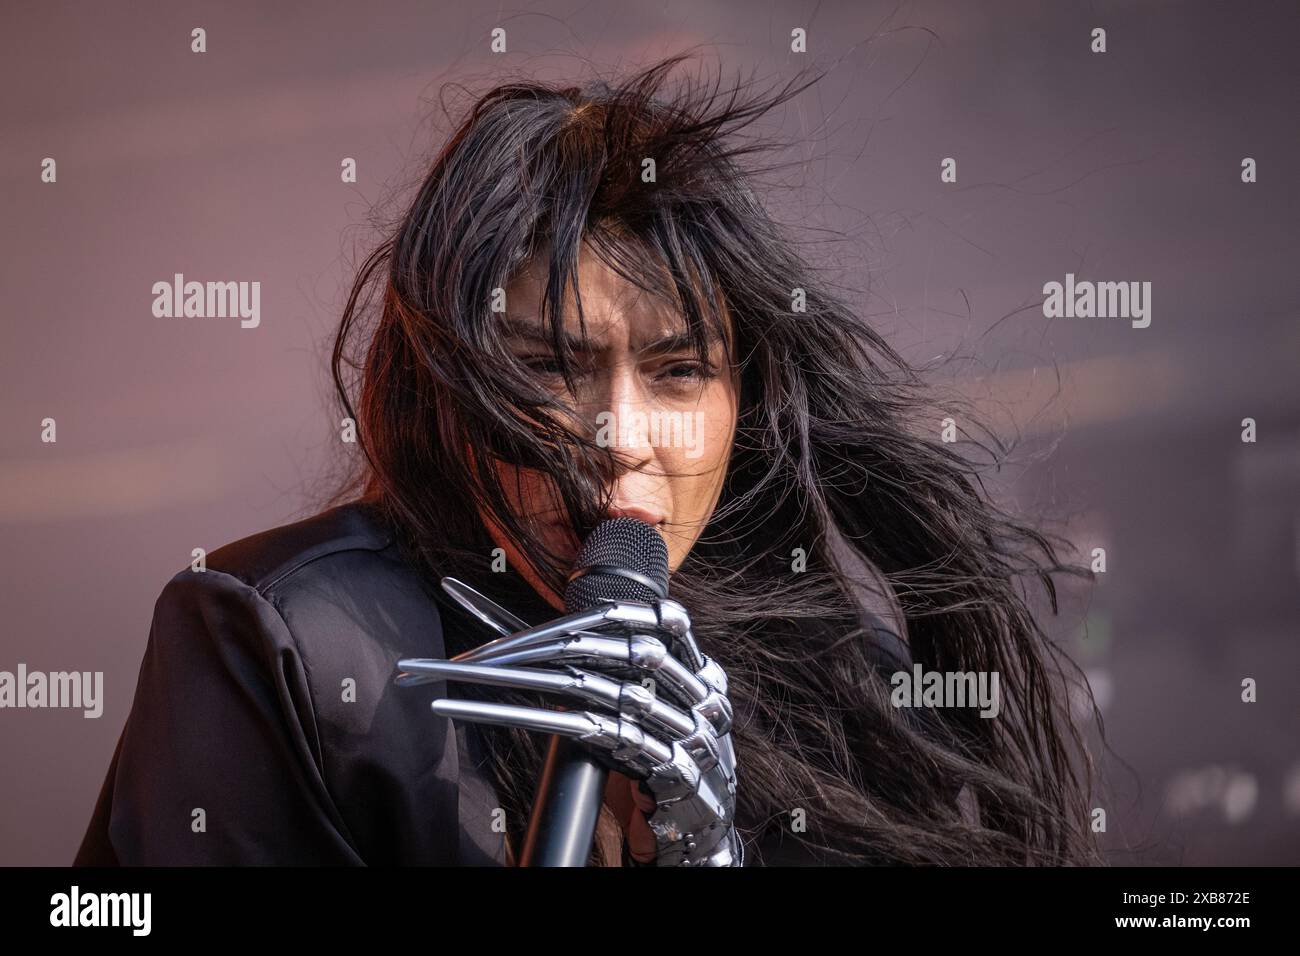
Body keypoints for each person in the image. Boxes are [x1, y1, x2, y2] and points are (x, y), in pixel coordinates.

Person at [74, 56, 1100, 867]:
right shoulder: (286, 639)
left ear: (742, 402)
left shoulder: (845, 695)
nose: (620, 432)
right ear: (451, 385)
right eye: (550, 367)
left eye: (679, 370)